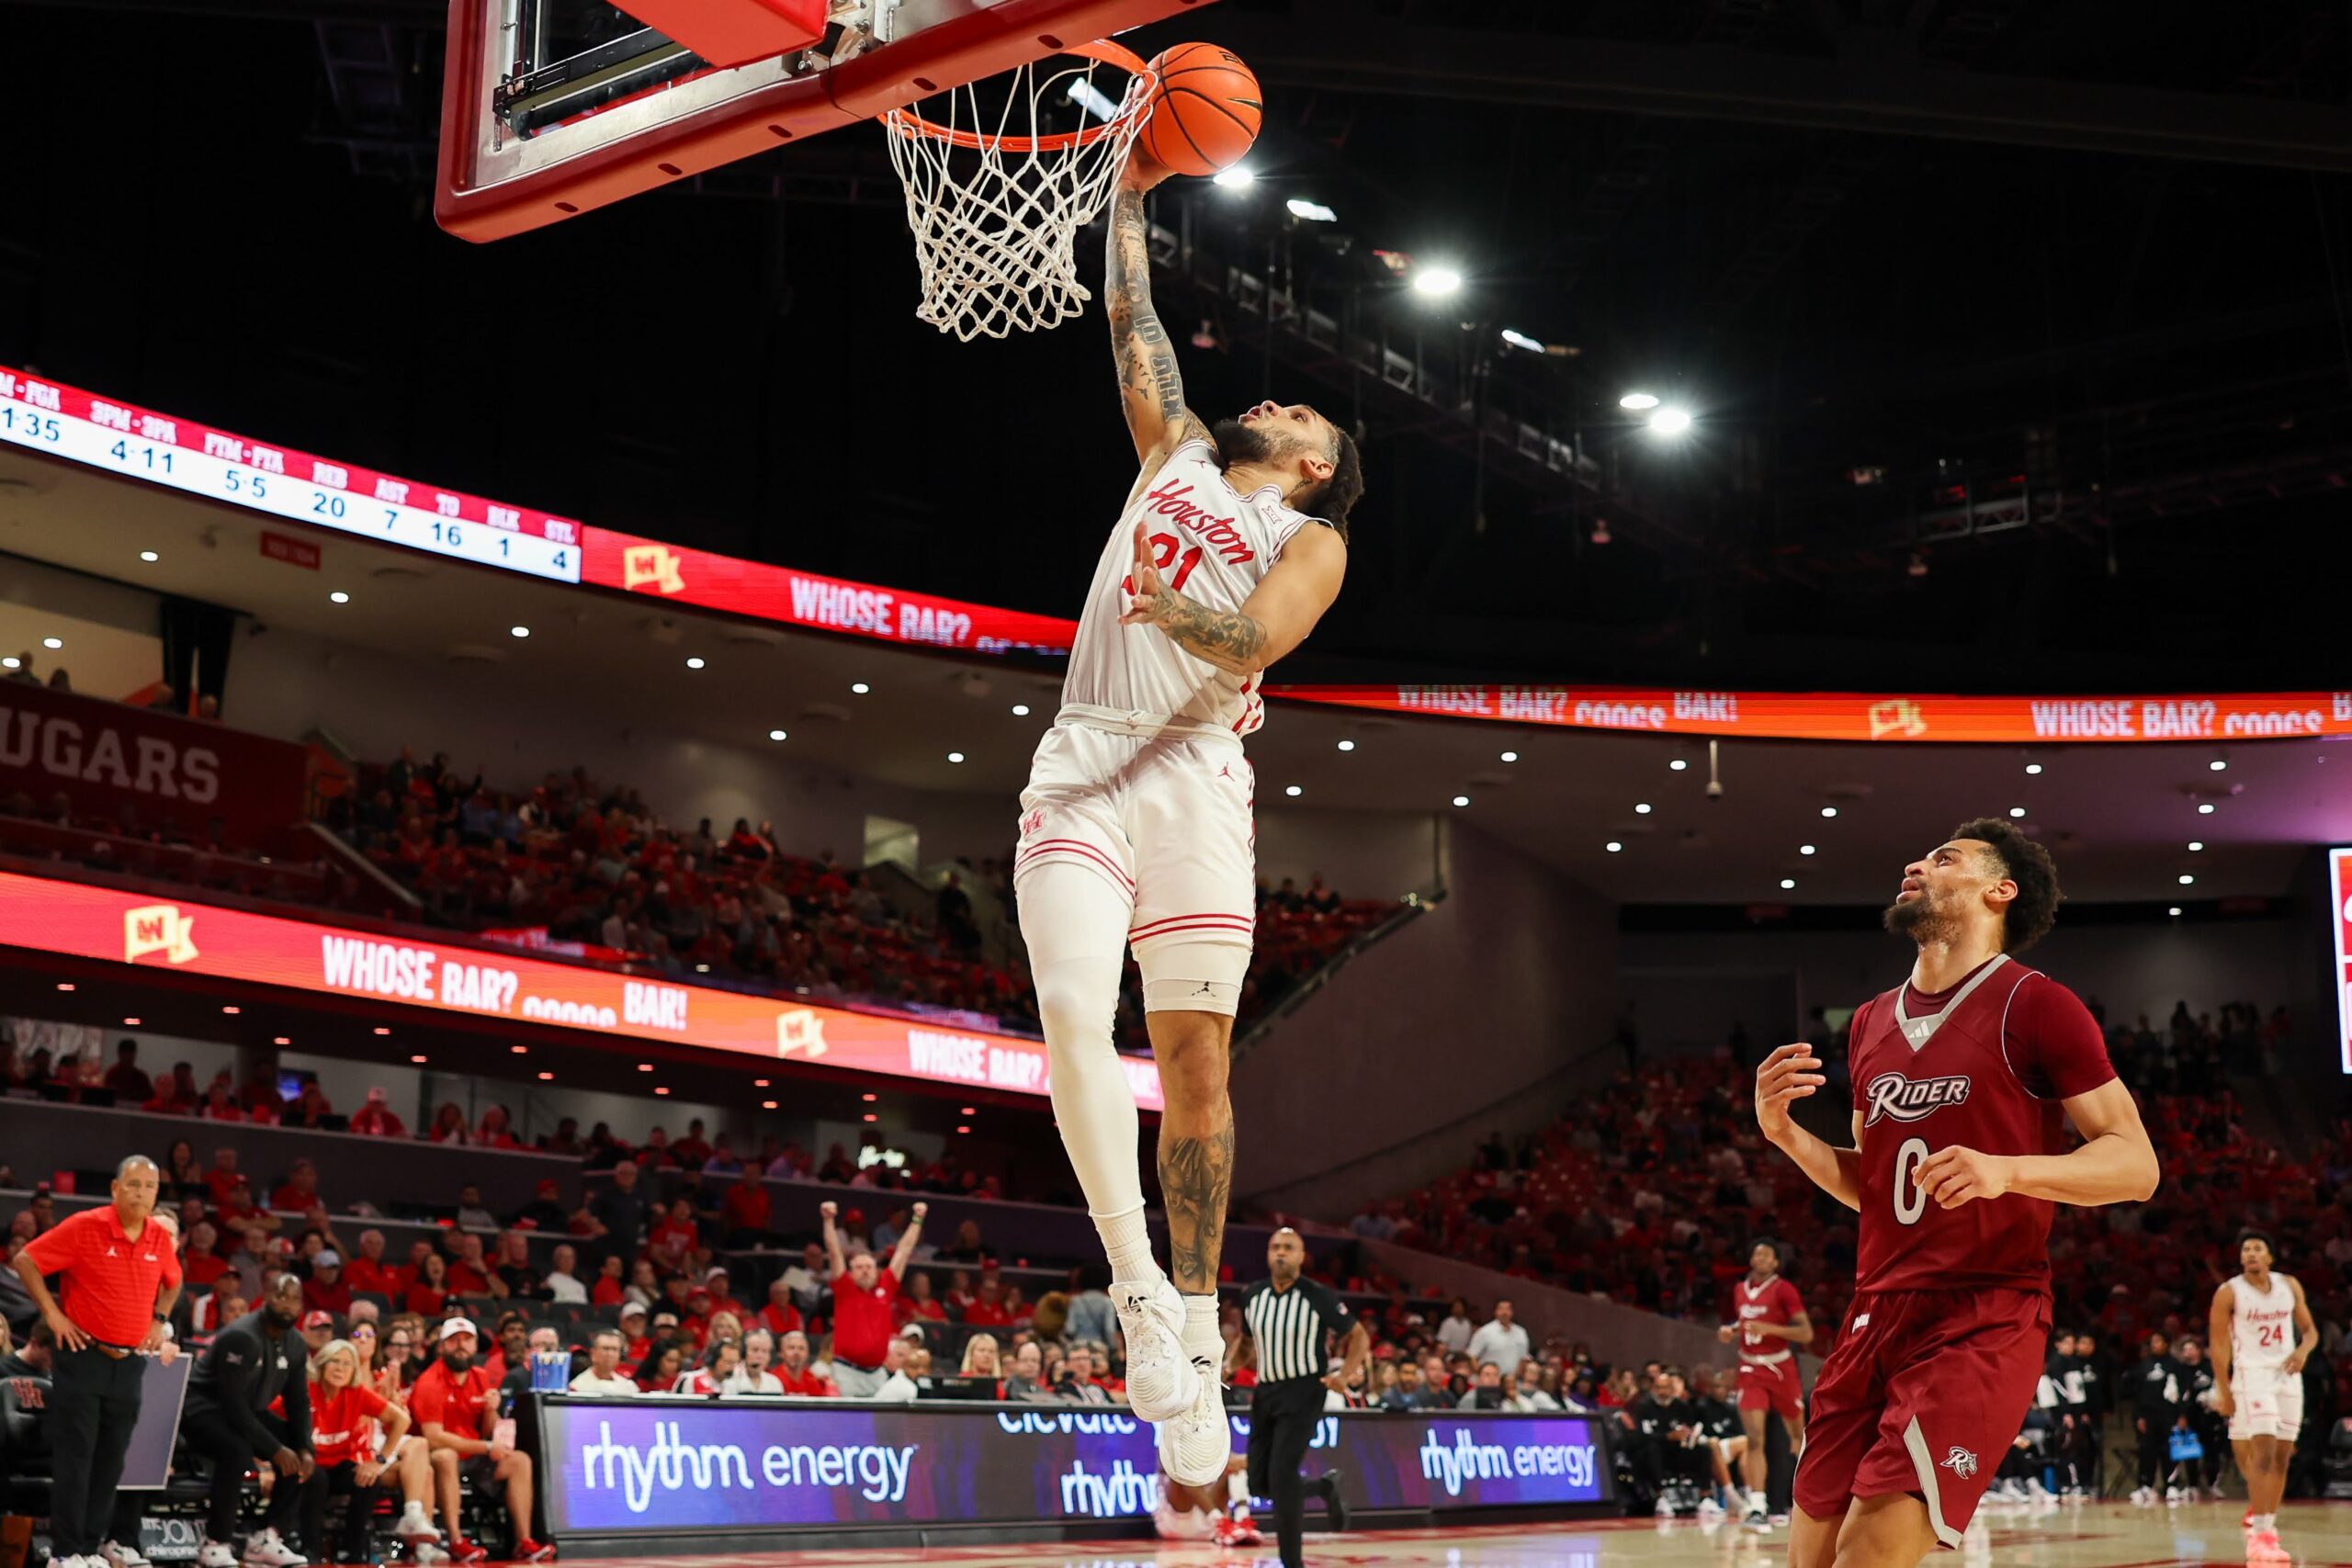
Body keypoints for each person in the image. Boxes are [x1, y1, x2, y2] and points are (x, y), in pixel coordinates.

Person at [1013, 144, 1363, 1494]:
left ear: (1315, 464)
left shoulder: (1311, 540)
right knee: (1066, 1012)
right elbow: (1131, 321)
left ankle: (1206, 1327)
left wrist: (1180, 615)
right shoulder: (1175, 450)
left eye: (1299, 410)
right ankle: (1141, 1293)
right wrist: (1126, 195)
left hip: (1198, 780)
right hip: (1085, 758)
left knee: (1197, 1068)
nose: (1270, 398)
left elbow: (1259, 640)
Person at [1753, 818, 2157, 1566]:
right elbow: (1875, 1186)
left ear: (1999, 890)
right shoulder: (1870, 1021)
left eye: (1945, 858)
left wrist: (2008, 1170)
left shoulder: (2036, 1004)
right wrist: (1786, 1135)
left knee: (1868, 1552)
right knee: (1810, 1558)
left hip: (1983, 1308)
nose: (1916, 864)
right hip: (1875, 1309)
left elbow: (2136, 1165)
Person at [11, 1156, 183, 1568]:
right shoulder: (85, 1226)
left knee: (111, 1460)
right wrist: (53, 1316)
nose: (141, 1193)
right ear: (115, 1188)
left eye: (150, 1187)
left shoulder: (158, 1237)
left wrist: (159, 1319)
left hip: (129, 1363)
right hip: (83, 1357)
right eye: (133, 1185)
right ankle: (65, 1551)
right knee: (76, 1457)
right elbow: (26, 1261)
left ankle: (89, 1548)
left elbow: (174, 1281)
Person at [1238, 1228, 1360, 1568]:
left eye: (1288, 1248)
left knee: (1282, 1476)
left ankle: (1292, 1562)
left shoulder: (1317, 1295)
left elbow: (1358, 1335)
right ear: (1267, 1253)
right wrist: (1228, 1366)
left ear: (1301, 1256)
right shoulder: (1252, 1295)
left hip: (1304, 1390)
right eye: (1275, 1247)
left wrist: (1345, 1374)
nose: (1281, 1252)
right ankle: (1325, 1486)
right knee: (1258, 1483)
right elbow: (1246, 1343)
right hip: (1266, 1391)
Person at [179, 1273, 313, 1568]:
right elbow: (232, 1404)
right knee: (236, 1449)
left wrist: (305, 1447)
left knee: (296, 1448)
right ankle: (215, 1543)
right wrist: (275, 1450)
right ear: (265, 1298)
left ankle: (266, 1537)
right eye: (281, 1296)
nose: (288, 1305)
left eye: (294, 1299)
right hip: (201, 1408)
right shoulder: (242, 1336)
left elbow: (298, 1401)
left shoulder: (295, 1343)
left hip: (246, 1411)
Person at [2211, 1229, 2316, 1563]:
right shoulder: (2229, 1292)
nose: (2251, 1253)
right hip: (2252, 1375)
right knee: (2264, 1451)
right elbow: (2218, 1345)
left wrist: (2302, 1351)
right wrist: (2223, 1389)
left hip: (2287, 1375)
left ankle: (2268, 1525)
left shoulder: (2289, 1285)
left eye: (2257, 1248)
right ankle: (2259, 1534)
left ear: (2270, 1256)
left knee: (2283, 1456)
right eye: (2246, 1249)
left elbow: (2310, 1331)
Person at [410, 1318, 553, 1562]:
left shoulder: (480, 1376)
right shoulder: (429, 1381)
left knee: (520, 1460)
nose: (461, 1346)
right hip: (434, 1457)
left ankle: (524, 1541)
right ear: (442, 1347)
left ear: (475, 1346)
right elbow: (434, 1437)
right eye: (454, 1341)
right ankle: (456, 1540)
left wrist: (490, 1410)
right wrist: (486, 1447)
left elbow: (489, 1430)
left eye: (467, 1340)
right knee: (445, 1456)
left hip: (474, 1454)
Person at [292, 1337, 440, 1562]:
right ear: (321, 1364)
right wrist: (268, 1463)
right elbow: (268, 1419)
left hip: (340, 1464)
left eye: (347, 1364)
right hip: (309, 1465)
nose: (340, 1369)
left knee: (369, 1480)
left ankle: (353, 1551)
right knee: (317, 1479)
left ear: (353, 1370)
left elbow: (401, 1420)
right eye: (334, 1361)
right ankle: (310, 1550)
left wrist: (379, 1461)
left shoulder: (356, 1393)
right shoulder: (305, 1392)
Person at [1716, 1237, 1813, 1530]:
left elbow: (1806, 1333)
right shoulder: (1740, 1290)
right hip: (1750, 1367)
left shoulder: (1784, 1289)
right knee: (1755, 1438)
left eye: (1766, 1255)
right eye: (1756, 1254)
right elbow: (1746, 1323)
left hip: (1781, 1366)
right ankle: (1758, 1505)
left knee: (1797, 1438)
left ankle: (1808, 1497)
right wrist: (1732, 1330)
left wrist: (1768, 1328)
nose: (1759, 1258)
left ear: (1775, 1262)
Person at [820, 1198, 924, 1397]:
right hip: (847, 1371)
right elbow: (834, 1252)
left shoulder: (886, 1286)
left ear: (877, 1271)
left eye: (869, 1267)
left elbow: (903, 1251)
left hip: (877, 1372)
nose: (865, 1271)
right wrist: (828, 1221)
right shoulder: (845, 1287)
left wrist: (917, 1220)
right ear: (850, 1272)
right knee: (849, 1416)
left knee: (880, 1416)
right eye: (859, 1267)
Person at [1155, 1453, 1262, 1550]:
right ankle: (1220, 1521)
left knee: (1236, 1465)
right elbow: (1170, 1462)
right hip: (1179, 1519)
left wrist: (1233, 1460)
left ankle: (1242, 1522)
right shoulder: (1172, 1439)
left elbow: (1236, 1460)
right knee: (1182, 1469)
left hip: (1211, 1519)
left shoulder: (1217, 1439)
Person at [2128, 1330, 2184, 1505]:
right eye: (2153, 1341)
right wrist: (2138, 1417)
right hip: (2148, 1416)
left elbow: (2182, 1393)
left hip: (2169, 1415)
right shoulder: (2143, 1366)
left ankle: (2172, 1485)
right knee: (2147, 1451)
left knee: (2170, 1451)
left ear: (2166, 1344)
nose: (2155, 1345)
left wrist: (2182, 1415)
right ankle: (2146, 1485)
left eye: (2158, 1341)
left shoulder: (2175, 1365)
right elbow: (2137, 1394)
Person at [1464, 1299, 1530, 1380]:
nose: (1504, 1312)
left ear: (1512, 1312)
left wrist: (1515, 1378)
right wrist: (1482, 1376)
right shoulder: (1485, 1331)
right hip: (1489, 1381)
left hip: (1512, 1381)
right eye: (1501, 1309)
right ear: (1495, 1312)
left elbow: (1523, 1359)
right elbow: (1472, 1356)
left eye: (1508, 1309)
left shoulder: (1521, 1332)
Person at [569, 1330, 638, 1395]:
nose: (610, 1354)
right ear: (593, 1353)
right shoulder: (577, 1387)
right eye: (606, 1348)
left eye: (614, 1349)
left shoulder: (628, 1386)